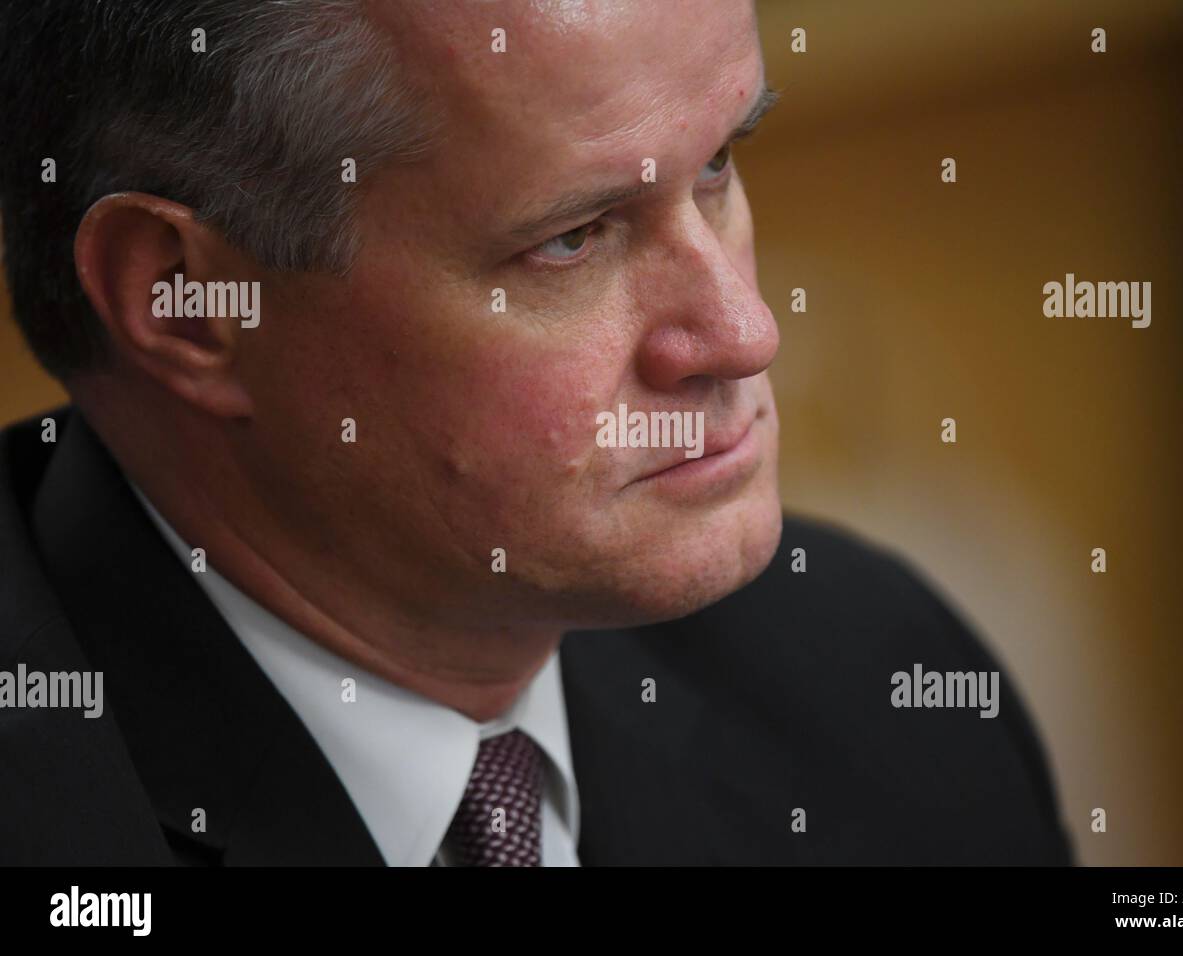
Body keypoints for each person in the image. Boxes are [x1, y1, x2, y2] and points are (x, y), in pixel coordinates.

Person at [0, 0, 1072, 865]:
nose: (744, 332)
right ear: (188, 299)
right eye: (571, 240)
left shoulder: (881, 683)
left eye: (717, 165)